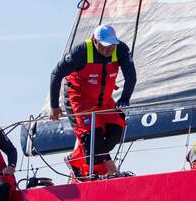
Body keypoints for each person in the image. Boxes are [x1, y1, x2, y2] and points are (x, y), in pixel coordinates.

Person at [49, 23, 137, 179]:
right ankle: (97, 173)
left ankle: (75, 159)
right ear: (95, 41)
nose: (109, 49)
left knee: (116, 130)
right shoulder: (81, 52)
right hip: (79, 99)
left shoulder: (121, 49)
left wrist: (125, 98)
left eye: (112, 45)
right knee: (92, 138)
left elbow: (131, 76)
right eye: (105, 45)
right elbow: (56, 75)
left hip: (103, 101)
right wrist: (54, 106)